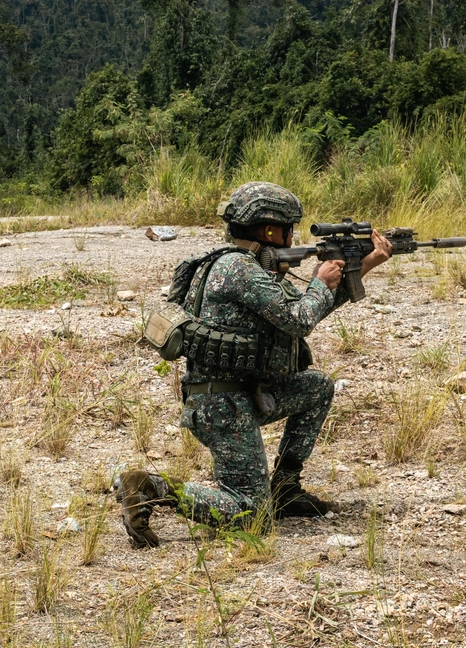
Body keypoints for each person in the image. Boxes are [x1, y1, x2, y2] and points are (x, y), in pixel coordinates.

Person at [118, 181, 392, 549]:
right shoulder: (238, 270)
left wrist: (364, 266)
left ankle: (286, 489)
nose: (292, 235)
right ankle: (151, 487)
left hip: (241, 396)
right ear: (269, 229)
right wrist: (320, 282)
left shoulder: (238, 265)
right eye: (288, 228)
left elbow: (300, 310)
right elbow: (299, 320)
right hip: (224, 407)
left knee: (317, 387)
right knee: (250, 514)